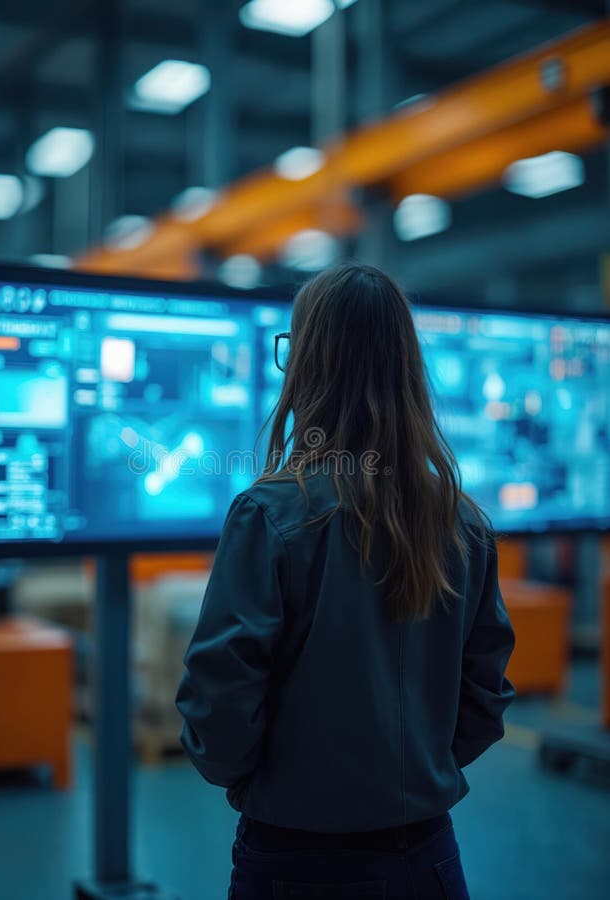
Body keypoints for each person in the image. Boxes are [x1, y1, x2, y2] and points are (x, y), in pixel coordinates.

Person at [176, 263, 516, 900]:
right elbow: (485, 695)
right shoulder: (463, 522)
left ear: (307, 365)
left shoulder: (270, 516)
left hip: (295, 860)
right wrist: (414, 773)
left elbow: (220, 700)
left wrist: (261, 782)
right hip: (429, 860)